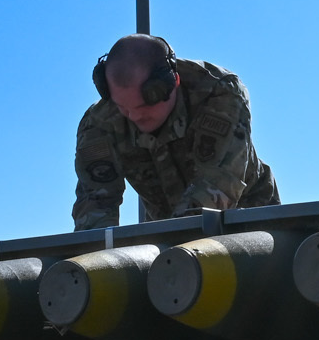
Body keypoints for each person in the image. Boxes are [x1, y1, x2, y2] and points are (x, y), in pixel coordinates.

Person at [72, 35, 279, 230]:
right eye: (123, 107)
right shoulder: (99, 124)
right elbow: (95, 204)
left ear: (172, 83)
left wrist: (173, 245)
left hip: (250, 220)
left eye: (144, 106)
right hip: (166, 230)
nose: (134, 116)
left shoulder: (218, 94)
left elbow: (215, 185)